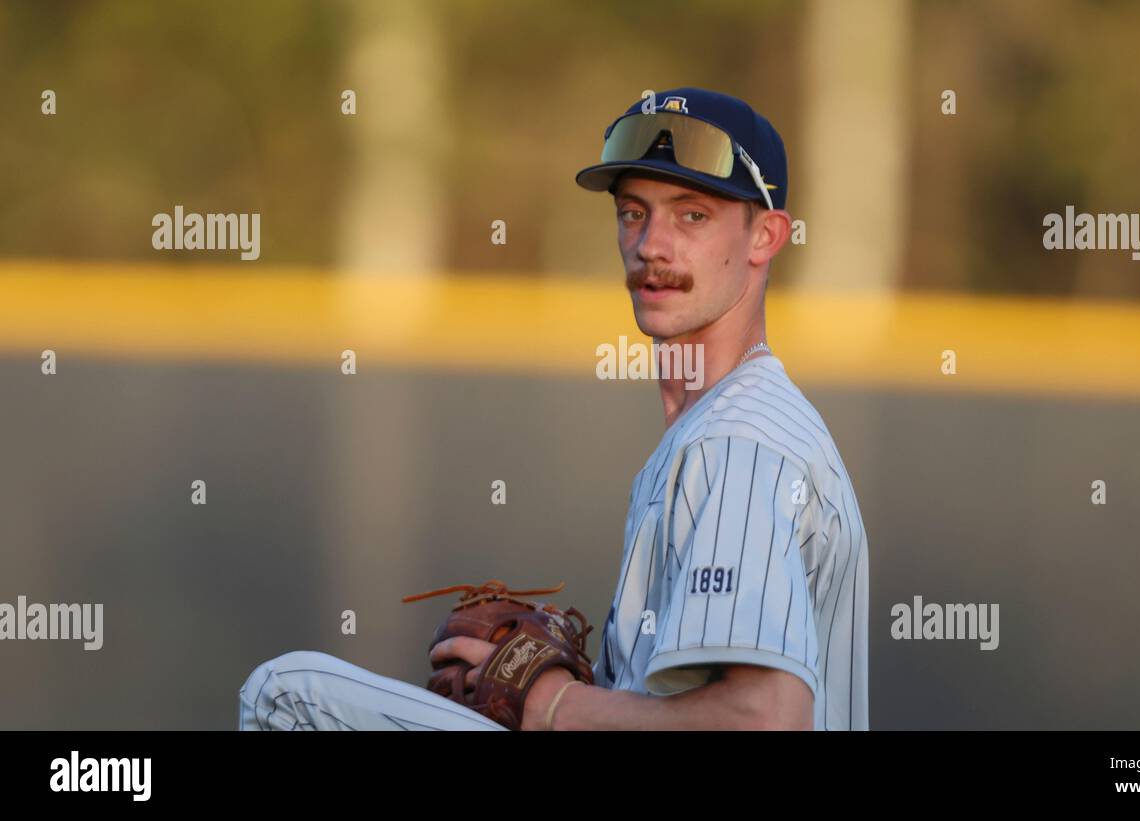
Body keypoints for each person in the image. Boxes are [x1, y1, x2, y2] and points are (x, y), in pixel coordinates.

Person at [239, 87, 869, 731]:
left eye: (693, 216)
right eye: (633, 213)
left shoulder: (739, 443)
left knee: (288, 695)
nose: (652, 244)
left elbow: (765, 719)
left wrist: (553, 704)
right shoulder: (717, 428)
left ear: (766, 236)